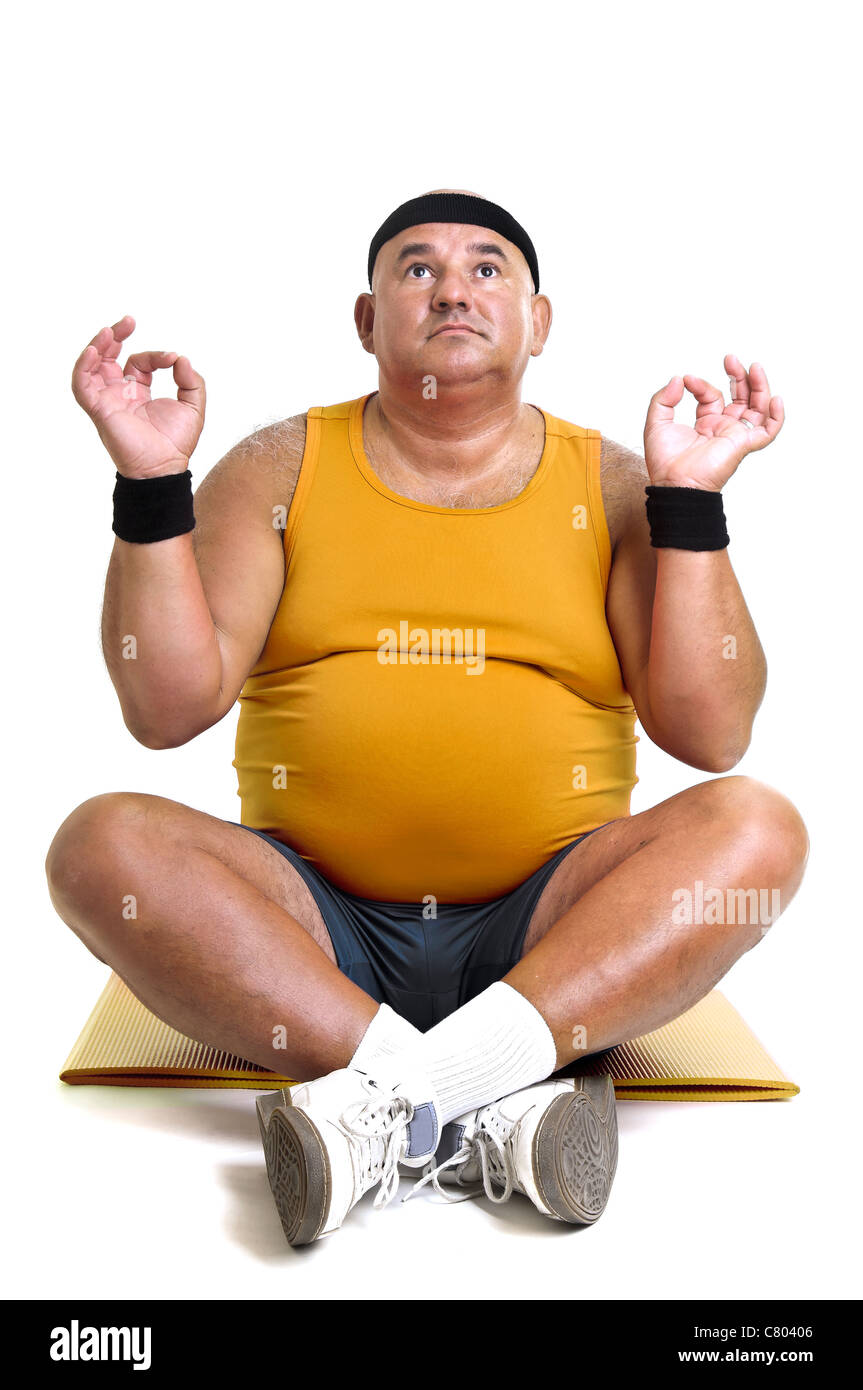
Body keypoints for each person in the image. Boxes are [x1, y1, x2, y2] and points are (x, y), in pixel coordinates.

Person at [47, 188, 809, 1247]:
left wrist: (688, 502)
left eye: (487, 267)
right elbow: (165, 708)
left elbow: (709, 733)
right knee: (97, 846)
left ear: (539, 322)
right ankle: (494, 1104)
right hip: (310, 929)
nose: (453, 286)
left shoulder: (620, 483)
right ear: (367, 323)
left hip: (552, 928)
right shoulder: (276, 467)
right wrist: (150, 479)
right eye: (416, 268)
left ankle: (386, 1108)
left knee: (758, 828)